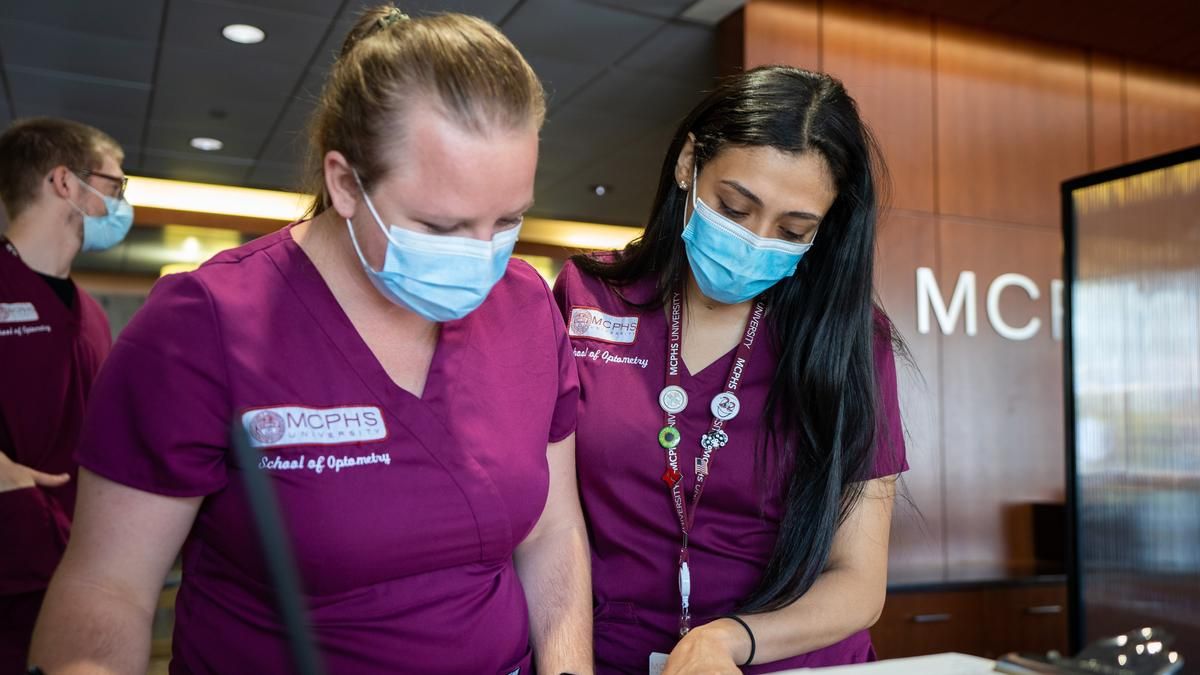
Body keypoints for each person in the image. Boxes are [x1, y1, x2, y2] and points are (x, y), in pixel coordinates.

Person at [31, 7, 592, 674]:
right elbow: (108, 585)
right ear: (346, 182)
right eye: (442, 226)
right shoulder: (204, 324)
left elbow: (552, 532)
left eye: (507, 221)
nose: (480, 257)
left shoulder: (526, 305)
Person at [553, 66, 908, 674]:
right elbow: (547, 527)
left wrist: (730, 640)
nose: (755, 241)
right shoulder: (587, 297)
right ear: (689, 162)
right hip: (615, 657)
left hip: (786, 662)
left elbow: (859, 582)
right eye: (735, 207)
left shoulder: (847, 340)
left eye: (794, 230)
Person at [0, 117, 132, 672]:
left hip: (76, 566)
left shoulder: (91, 316)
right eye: (113, 184)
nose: (122, 203)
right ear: (64, 183)